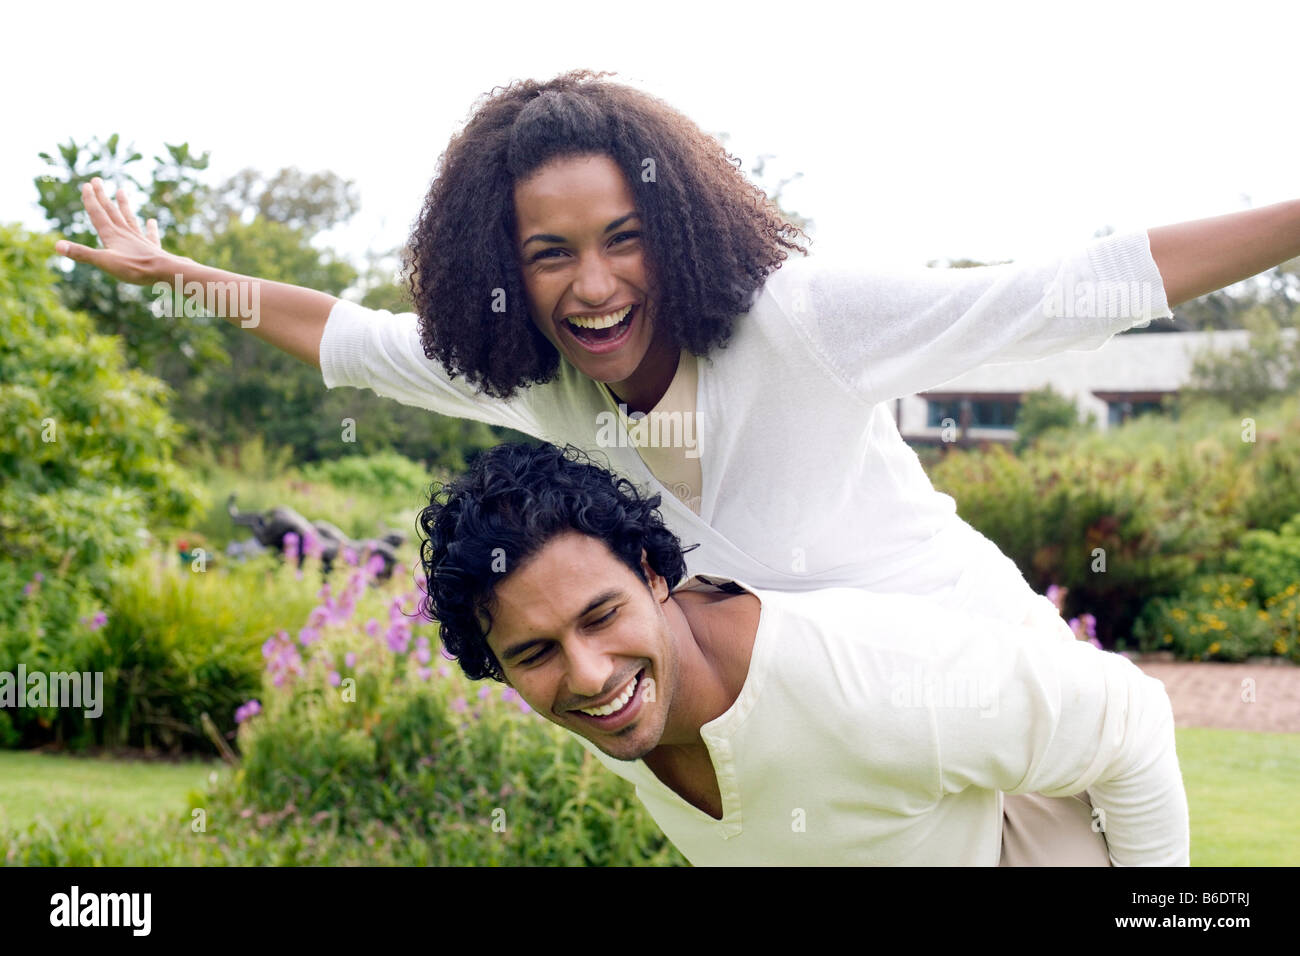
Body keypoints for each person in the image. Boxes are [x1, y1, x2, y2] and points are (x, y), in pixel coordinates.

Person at [53, 68, 1295, 856]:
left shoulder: (800, 322)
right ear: (505, 264)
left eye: (624, 238)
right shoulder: (539, 378)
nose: (592, 286)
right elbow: (351, 337)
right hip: (855, 775)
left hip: (1012, 732)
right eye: (549, 252)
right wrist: (178, 278)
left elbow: (1059, 290)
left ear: (680, 230)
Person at [416, 441, 1189, 866]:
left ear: (653, 574)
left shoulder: (858, 674)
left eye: (601, 615)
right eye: (535, 653)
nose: (588, 675)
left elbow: (1131, 722)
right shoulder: (621, 712)